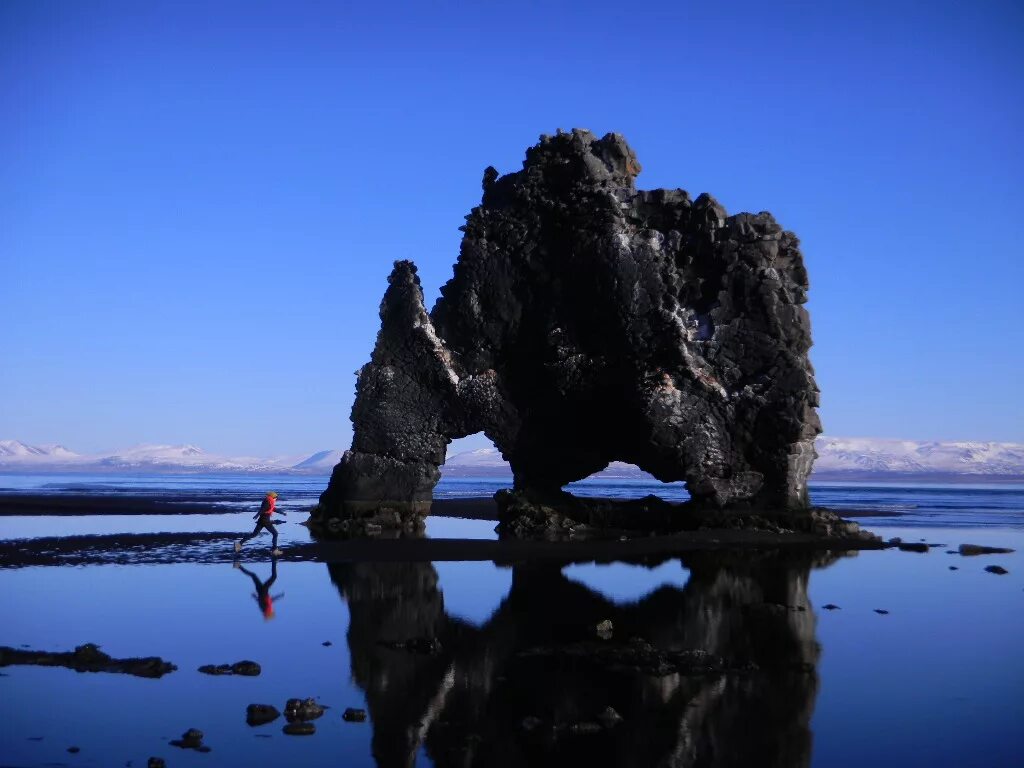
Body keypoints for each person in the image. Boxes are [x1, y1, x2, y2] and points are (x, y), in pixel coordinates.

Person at [235, 491, 286, 556]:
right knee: (275, 533)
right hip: (265, 521)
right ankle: (274, 550)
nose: (276, 499)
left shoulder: (269, 501)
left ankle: (239, 544)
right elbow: (262, 509)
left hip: (262, 520)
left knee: (254, 534)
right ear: (273, 497)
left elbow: (273, 509)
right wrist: (257, 515)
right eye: (276, 498)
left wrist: (282, 512)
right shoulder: (268, 502)